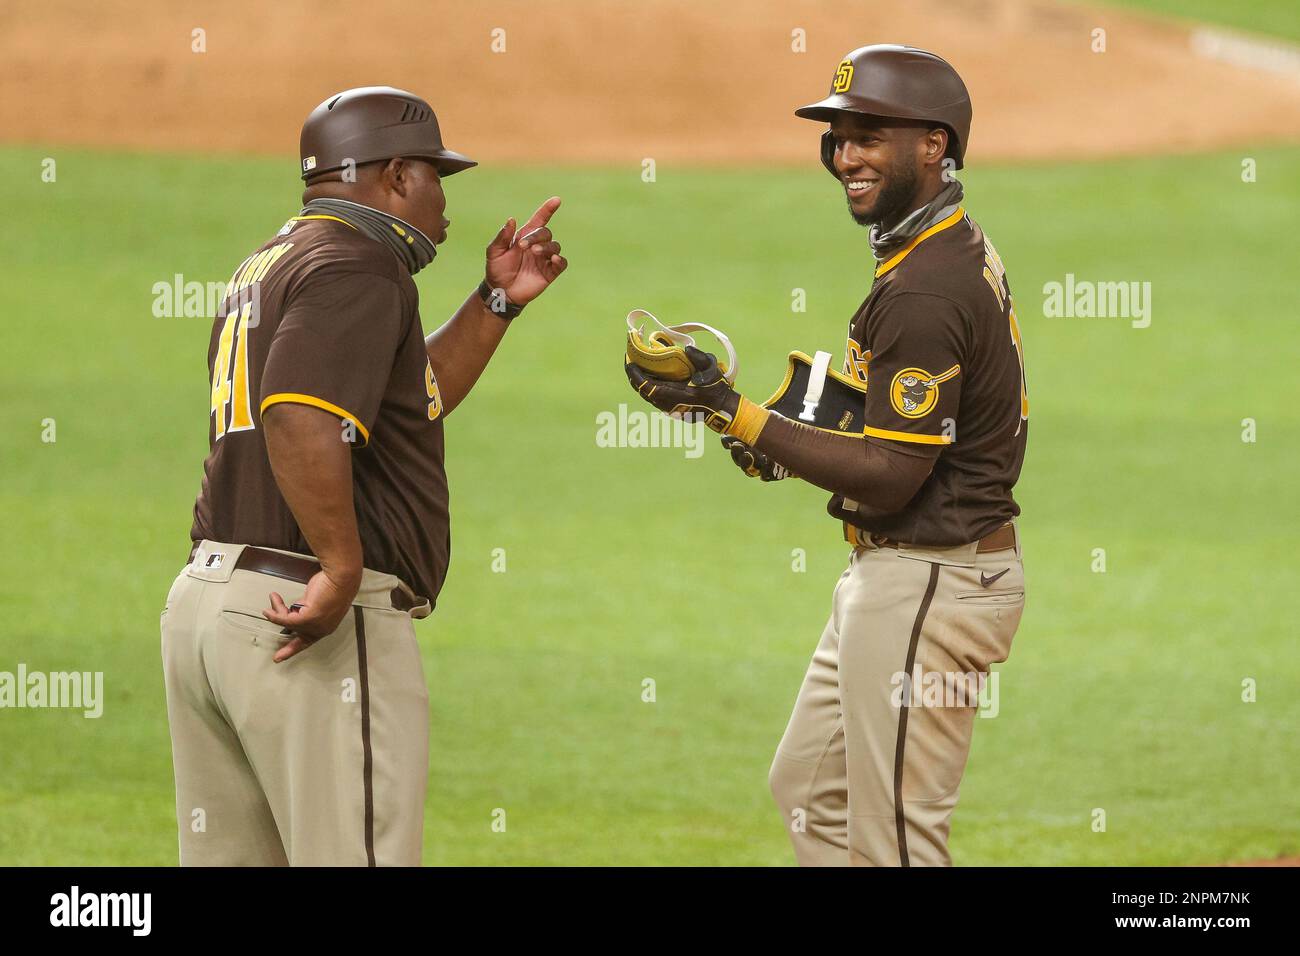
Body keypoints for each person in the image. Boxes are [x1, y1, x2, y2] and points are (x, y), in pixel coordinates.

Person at [624, 45, 1028, 866]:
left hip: (933, 582)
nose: (846, 155)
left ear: (935, 144)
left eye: (870, 135)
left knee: (896, 839)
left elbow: (892, 473)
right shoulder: (936, 245)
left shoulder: (923, 288)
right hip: (901, 576)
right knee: (812, 793)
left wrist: (733, 412)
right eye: (839, 136)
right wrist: (775, 434)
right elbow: (898, 429)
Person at [161, 86, 568, 866]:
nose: (445, 202)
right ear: (393, 177)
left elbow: (406, 398)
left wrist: (495, 302)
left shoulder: (274, 261)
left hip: (211, 612)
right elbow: (298, 413)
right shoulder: (361, 268)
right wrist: (342, 567)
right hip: (303, 615)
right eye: (437, 177)